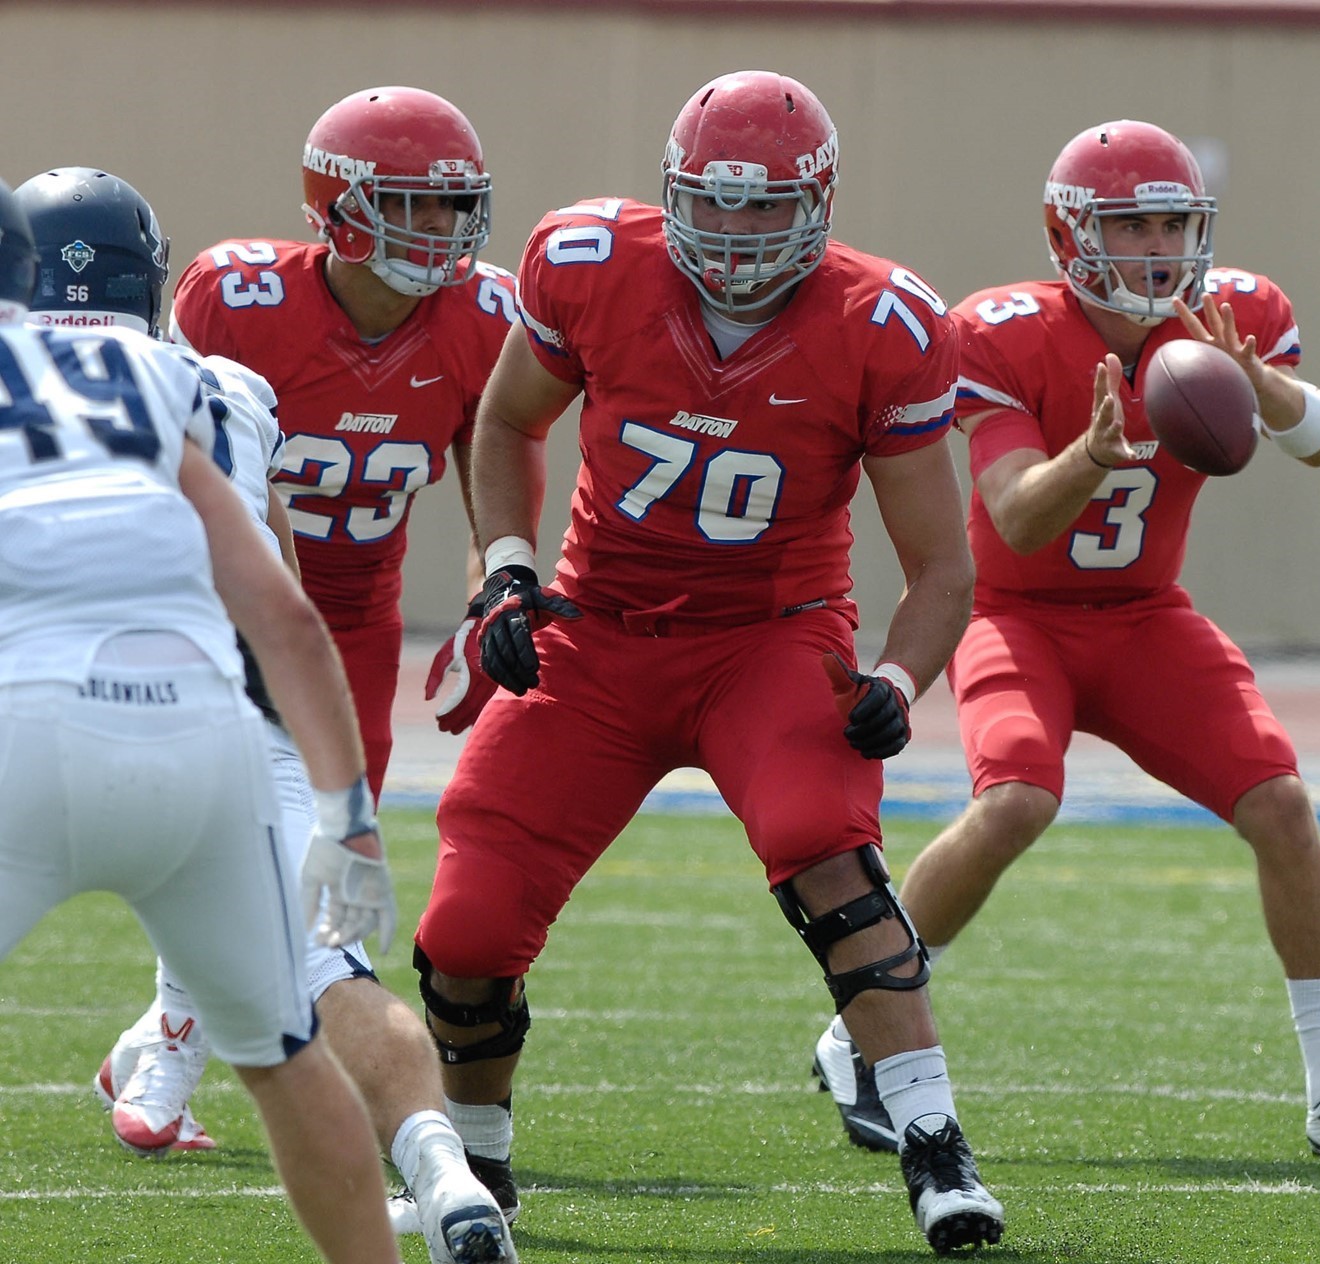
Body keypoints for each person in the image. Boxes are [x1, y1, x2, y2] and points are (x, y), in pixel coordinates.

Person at [410, 70, 1005, 1255]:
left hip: (768, 638)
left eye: (764, 208)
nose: (734, 237)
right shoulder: (588, 262)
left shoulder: (880, 323)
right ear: (672, 194)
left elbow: (940, 567)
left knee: (820, 844)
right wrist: (507, 570)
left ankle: (936, 1151)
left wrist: (896, 679)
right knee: (468, 923)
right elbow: (506, 422)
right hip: (601, 631)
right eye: (714, 205)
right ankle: (478, 1172)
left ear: (819, 204)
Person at [812, 119, 1320, 1167]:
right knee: (1014, 800)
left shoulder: (1237, 312)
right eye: (1130, 223)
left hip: (1147, 615)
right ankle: (850, 1037)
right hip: (1019, 616)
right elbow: (1013, 519)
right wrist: (1091, 456)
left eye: (1171, 223)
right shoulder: (1002, 331)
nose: (1154, 246)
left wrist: (1260, 385)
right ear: (1071, 233)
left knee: (1279, 800)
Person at [17, 167, 518, 1264]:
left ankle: (165, 1051)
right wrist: (341, 808)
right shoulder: (223, 389)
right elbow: (285, 618)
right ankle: (441, 1175)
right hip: (209, 728)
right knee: (309, 1007)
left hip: (25, 719)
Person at [168, 84, 517, 794]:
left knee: (340, 832)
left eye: (449, 203)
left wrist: (491, 602)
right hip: (226, 599)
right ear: (341, 202)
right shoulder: (239, 302)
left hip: (357, 625)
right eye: (407, 201)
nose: (435, 224)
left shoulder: (486, 318)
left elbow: (498, 476)